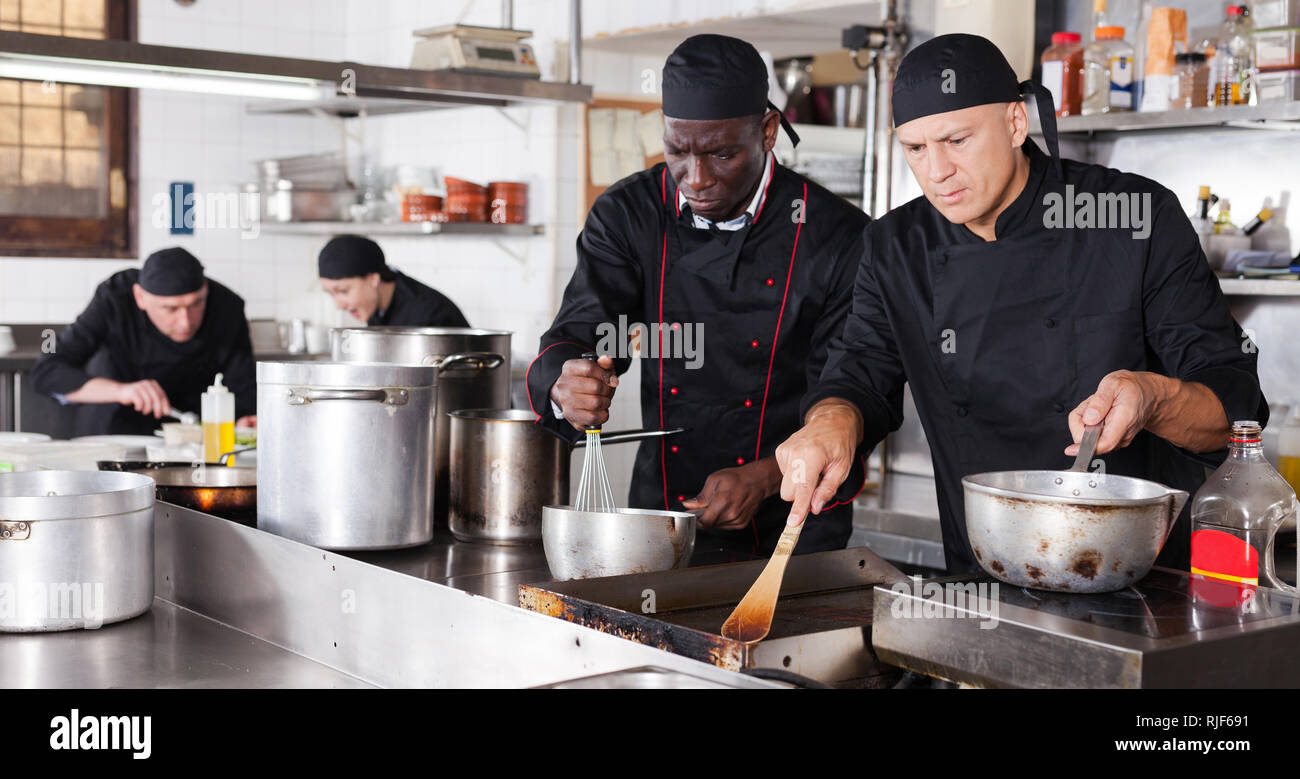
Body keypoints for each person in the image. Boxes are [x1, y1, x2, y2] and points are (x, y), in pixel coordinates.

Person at [776, 34, 1266, 574]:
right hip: (985, 579)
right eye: (915, 149)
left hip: (1142, 583)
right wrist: (830, 423)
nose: (936, 172)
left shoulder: (1134, 217)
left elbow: (1237, 412)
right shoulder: (894, 248)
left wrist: (1153, 396)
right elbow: (859, 378)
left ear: (1015, 123)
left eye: (956, 140)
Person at [527, 34, 872, 564]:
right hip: (659, 524)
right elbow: (588, 330)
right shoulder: (629, 214)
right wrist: (570, 380)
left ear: (768, 131)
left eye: (722, 153)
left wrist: (764, 477)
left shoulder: (835, 235)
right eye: (677, 152)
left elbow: (849, 393)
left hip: (794, 530)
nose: (697, 178)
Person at [30, 247, 257, 435]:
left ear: (205, 290)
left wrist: (245, 423)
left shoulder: (228, 306)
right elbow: (48, 370)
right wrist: (122, 391)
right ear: (140, 297)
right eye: (170, 309)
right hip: (117, 433)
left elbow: (243, 389)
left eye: (196, 304)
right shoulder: (114, 297)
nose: (185, 322)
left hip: (196, 437)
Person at [317, 234, 469, 327]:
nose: (339, 305)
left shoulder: (430, 315)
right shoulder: (376, 307)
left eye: (343, 291)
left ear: (373, 279)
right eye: (331, 293)